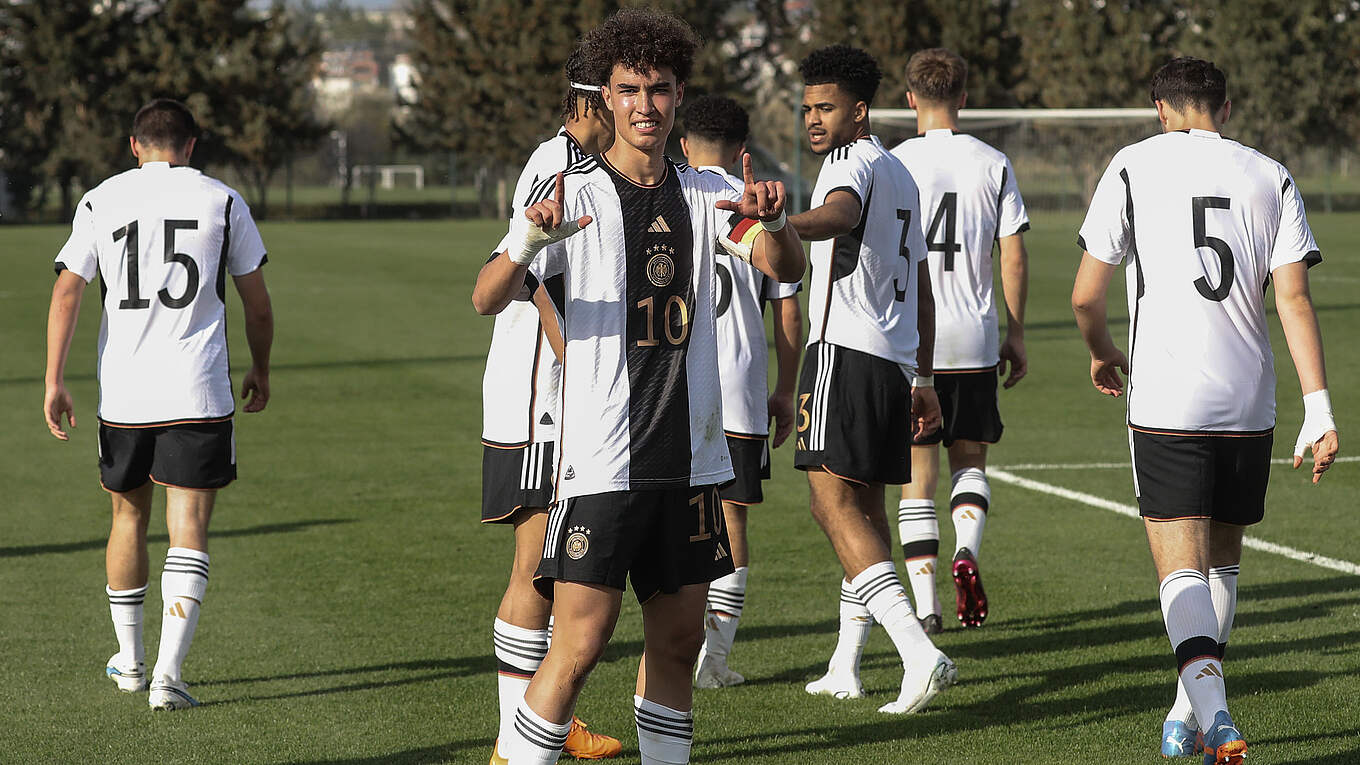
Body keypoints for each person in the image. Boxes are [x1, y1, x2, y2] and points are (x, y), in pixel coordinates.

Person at [471, 9, 804, 765]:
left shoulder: (712, 192)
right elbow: (487, 296)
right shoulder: (574, 194)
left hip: (692, 463)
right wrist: (528, 237)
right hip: (602, 465)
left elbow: (786, 270)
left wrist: (774, 226)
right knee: (580, 642)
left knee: (680, 642)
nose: (645, 105)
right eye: (630, 90)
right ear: (608, 97)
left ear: (680, 93)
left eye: (658, 89)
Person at [1071, 57, 1339, 765]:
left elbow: (1084, 295)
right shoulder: (1270, 172)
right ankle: (1185, 707)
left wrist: (1101, 350)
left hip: (1167, 396)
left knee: (1178, 567)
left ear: (1160, 106)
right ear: (1227, 104)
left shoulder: (1131, 164)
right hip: (1250, 398)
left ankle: (1217, 716)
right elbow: (1293, 298)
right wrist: (1320, 407)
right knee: (1222, 560)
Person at [43, 98, 274, 711]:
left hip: (124, 393)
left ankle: (131, 663)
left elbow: (67, 291)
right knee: (188, 529)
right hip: (198, 389)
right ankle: (170, 674)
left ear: (134, 144)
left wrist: (53, 380)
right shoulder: (222, 200)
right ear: (191, 146)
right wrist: (262, 367)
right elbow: (256, 301)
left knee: (126, 521)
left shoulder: (100, 199)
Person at [787, 45, 955, 715]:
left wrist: (768, 222)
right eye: (806, 109)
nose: (813, 121)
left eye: (825, 107)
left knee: (830, 505)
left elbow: (841, 214)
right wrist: (923, 376)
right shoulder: (902, 172)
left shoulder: (850, 162)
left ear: (859, 111)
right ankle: (845, 664)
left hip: (843, 352)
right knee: (863, 510)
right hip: (890, 361)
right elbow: (920, 286)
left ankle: (919, 652)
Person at [480, 46, 621, 764]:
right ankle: (516, 739)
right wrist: (574, 358)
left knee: (553, 568)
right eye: (623, 89)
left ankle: (547, 727)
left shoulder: (588, 164)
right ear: (592, 98)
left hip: (557, 394)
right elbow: (529, 275)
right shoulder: (557, 164)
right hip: (541, 393)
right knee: (534, 567)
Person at [888, 48, 1031, 632]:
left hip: (911, 342)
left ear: (910, 99)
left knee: (917, 475)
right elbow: (1013, 252)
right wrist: (1016, 329)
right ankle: (966, 549)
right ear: (965, 98)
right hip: (973, 337)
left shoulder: (892, 163)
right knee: (969, 458)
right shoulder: (992, 162)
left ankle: (926, 608)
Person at [679, 95, 804, 689]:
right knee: (732, 520)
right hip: (742, 383)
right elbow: (787, 308)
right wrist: (786, 390)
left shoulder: (671, 196)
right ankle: (716, 661)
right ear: (743, 153)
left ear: (683, 145)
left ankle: (670, 651)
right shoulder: (753, 206)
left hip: (676, 387)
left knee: (668, 520)